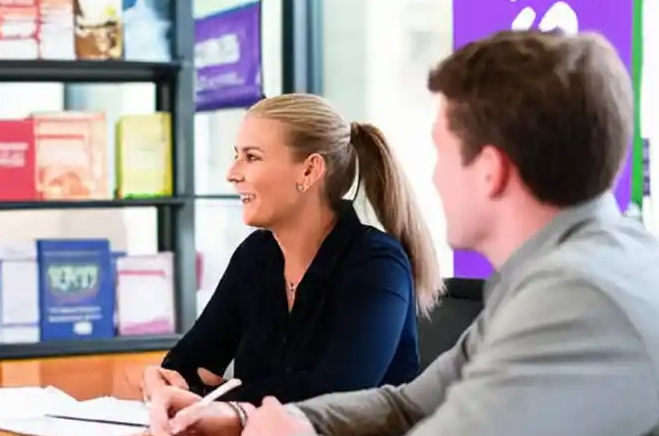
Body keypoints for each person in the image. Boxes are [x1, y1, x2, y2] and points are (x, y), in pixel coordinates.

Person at [149, 29, 659, 436]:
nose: (432, 176)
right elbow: (409, 405)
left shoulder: (578, 298)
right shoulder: (569, 270)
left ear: (491, 171)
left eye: (442, 153)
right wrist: (245, 419)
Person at [143, 93, 440, 410]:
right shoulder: (255, 256)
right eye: (236, 155)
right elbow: (187, 365)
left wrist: (217, 398)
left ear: (309, 171)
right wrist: (163, 381)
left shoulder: (377, 264)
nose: (232, 173)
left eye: (251, 157)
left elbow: (338, 396)